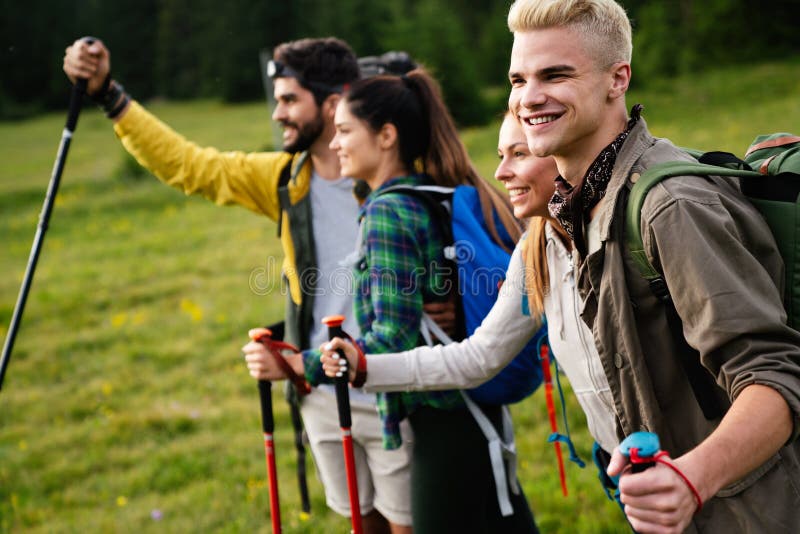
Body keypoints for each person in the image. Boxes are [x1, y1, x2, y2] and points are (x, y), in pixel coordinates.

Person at [323, 1, 800, 532]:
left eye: (556, 74)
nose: (529, 97)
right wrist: (364, 369)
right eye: (518, 78)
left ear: (617, 79)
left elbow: (775, 376)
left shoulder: (670, 206)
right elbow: (480, 356)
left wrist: (691, 480)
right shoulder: (554, 228)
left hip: (749, 507)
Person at [63, 36, 420, 533]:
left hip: (396, 388)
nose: (278, 114)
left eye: (290, 99)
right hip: (318, 387)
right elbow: (189, 165)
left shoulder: (402, 173)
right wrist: (109, 95)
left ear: (333, 102)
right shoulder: (282, 178)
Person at [248, 70, 537, 533]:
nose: (335, 143)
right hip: (473, 414)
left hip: (442, 421)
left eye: (344, 131)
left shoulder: (387, 211)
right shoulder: (427, 192)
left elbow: (390, 342)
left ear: (386, 136)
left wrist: (299, 365)